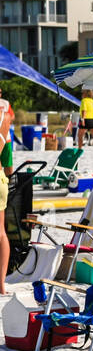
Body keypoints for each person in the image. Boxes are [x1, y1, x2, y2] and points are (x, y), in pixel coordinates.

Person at [0, 94, 11, 294]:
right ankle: (0, 284)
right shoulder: (5, 116)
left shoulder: (5, 116)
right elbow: (7, 151)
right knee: (0, 232)